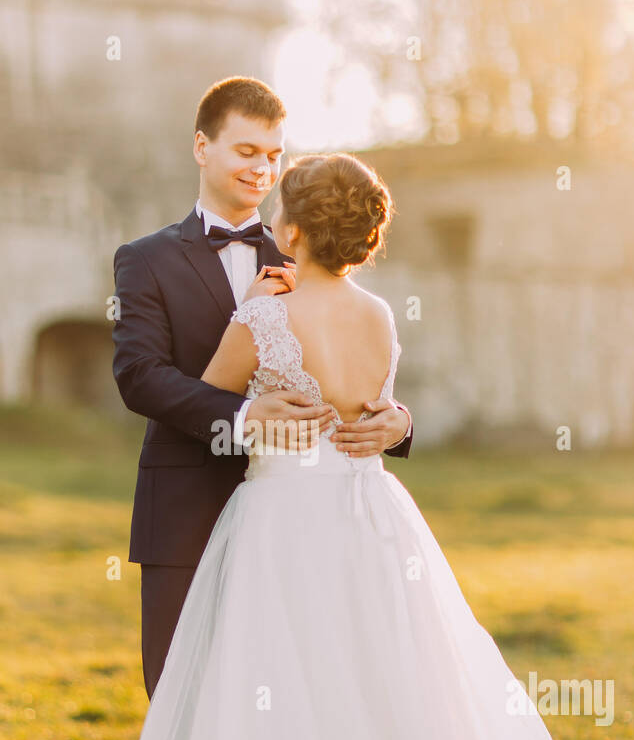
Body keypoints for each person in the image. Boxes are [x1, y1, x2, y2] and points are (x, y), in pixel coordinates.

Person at [47, 152, 634, 740]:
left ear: (295, 231)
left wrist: (252, 349)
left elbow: (210, 404)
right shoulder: (378, 315)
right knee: (397, 704)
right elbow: (380, 413)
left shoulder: (264, 314)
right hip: (373, 519)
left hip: (283, 522)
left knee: (284, 711)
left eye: (281, 214)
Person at [111, 76, 412, 698]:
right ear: (202, 147)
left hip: (304, 520)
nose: (263, 169)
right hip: (186, 508)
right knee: (179, 695)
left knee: (302, 695)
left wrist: (401, 422)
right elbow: (139, 376)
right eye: (247, 151)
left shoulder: (307, 244)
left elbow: (351, 366)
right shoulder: (144, 259)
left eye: (275, 155)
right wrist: (246, 416)